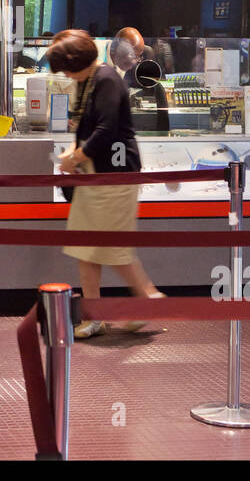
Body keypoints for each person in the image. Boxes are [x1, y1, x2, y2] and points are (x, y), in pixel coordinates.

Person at [47, 29, 164, 338]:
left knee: (113, 248)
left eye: (66, 68)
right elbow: (90, 129)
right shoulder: (89, 80)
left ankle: (149, 299)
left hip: (115, 175)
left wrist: (75, 156)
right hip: (96, 175)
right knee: (86, 246)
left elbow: (107, 129)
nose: (65, 75)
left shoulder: (106, 80)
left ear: (76, 62)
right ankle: (95, 313)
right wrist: (74, 153)